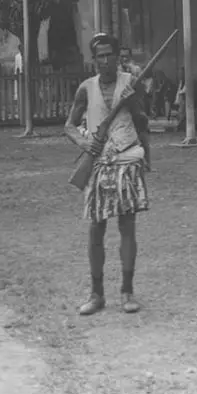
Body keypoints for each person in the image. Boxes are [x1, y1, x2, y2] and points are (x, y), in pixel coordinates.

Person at [65, 33, 150, 316]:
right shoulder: (85, 88)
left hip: (127, 158)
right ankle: (96, 293)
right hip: (98, 163)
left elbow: (142, 121)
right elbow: (69, 125)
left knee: (127, 227)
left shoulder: (131, 82)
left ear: (118, 57)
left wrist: (132, 101)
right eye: (99, 56)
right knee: (95, 229)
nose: (104, 61)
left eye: (109, 55)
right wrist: (84, 142)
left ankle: (127, 291)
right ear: (94, 59)